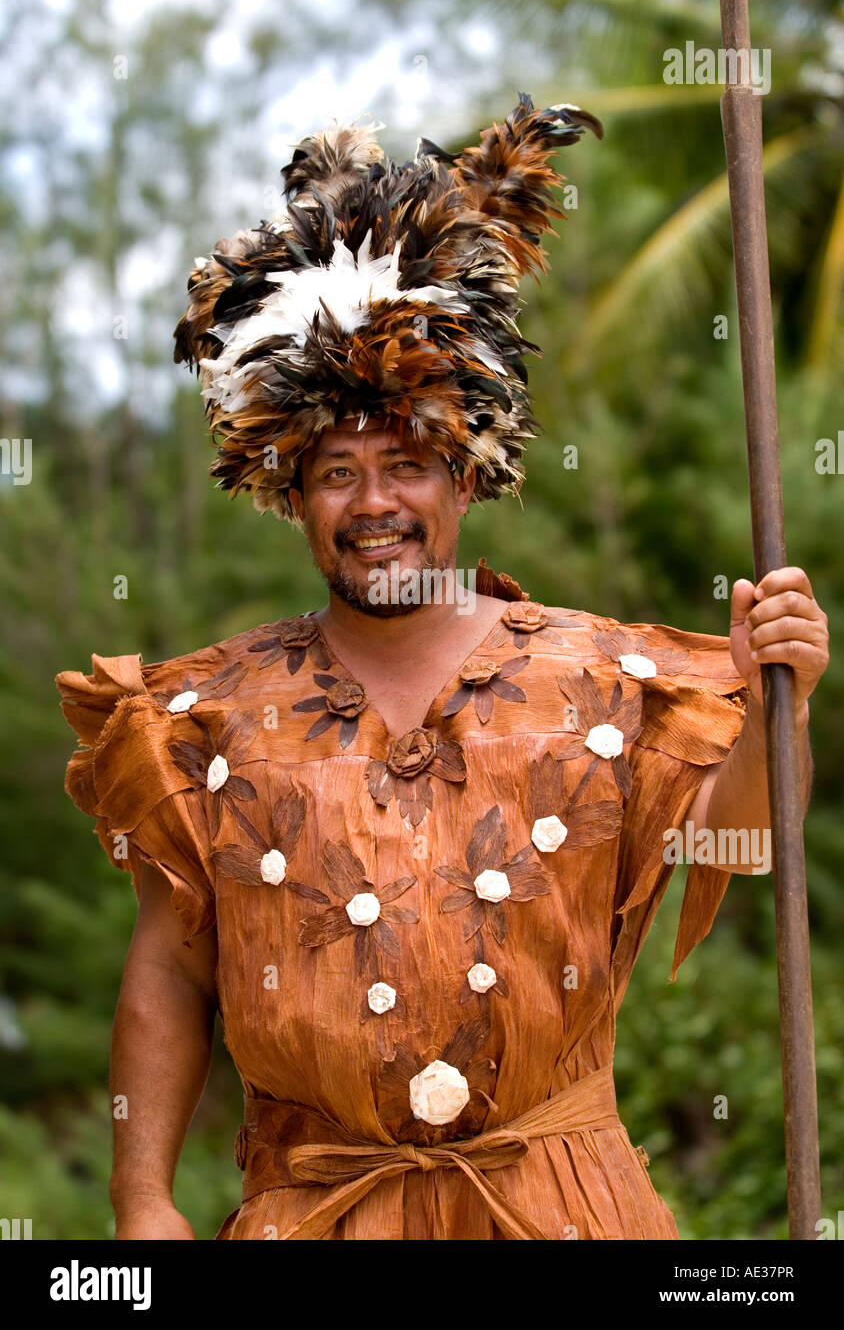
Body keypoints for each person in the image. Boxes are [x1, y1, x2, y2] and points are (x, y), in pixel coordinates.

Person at [56, 97, 828, 1240]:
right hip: (314, 1213)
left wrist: (783, 700)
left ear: (465, 476)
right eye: (335, 471)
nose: (375, 504)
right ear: (290, 495)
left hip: (567, 1210)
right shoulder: (206, 719)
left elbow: (745, 836)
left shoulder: (602, 678)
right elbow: (170, 971)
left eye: (408, 462)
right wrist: (144, 1201)